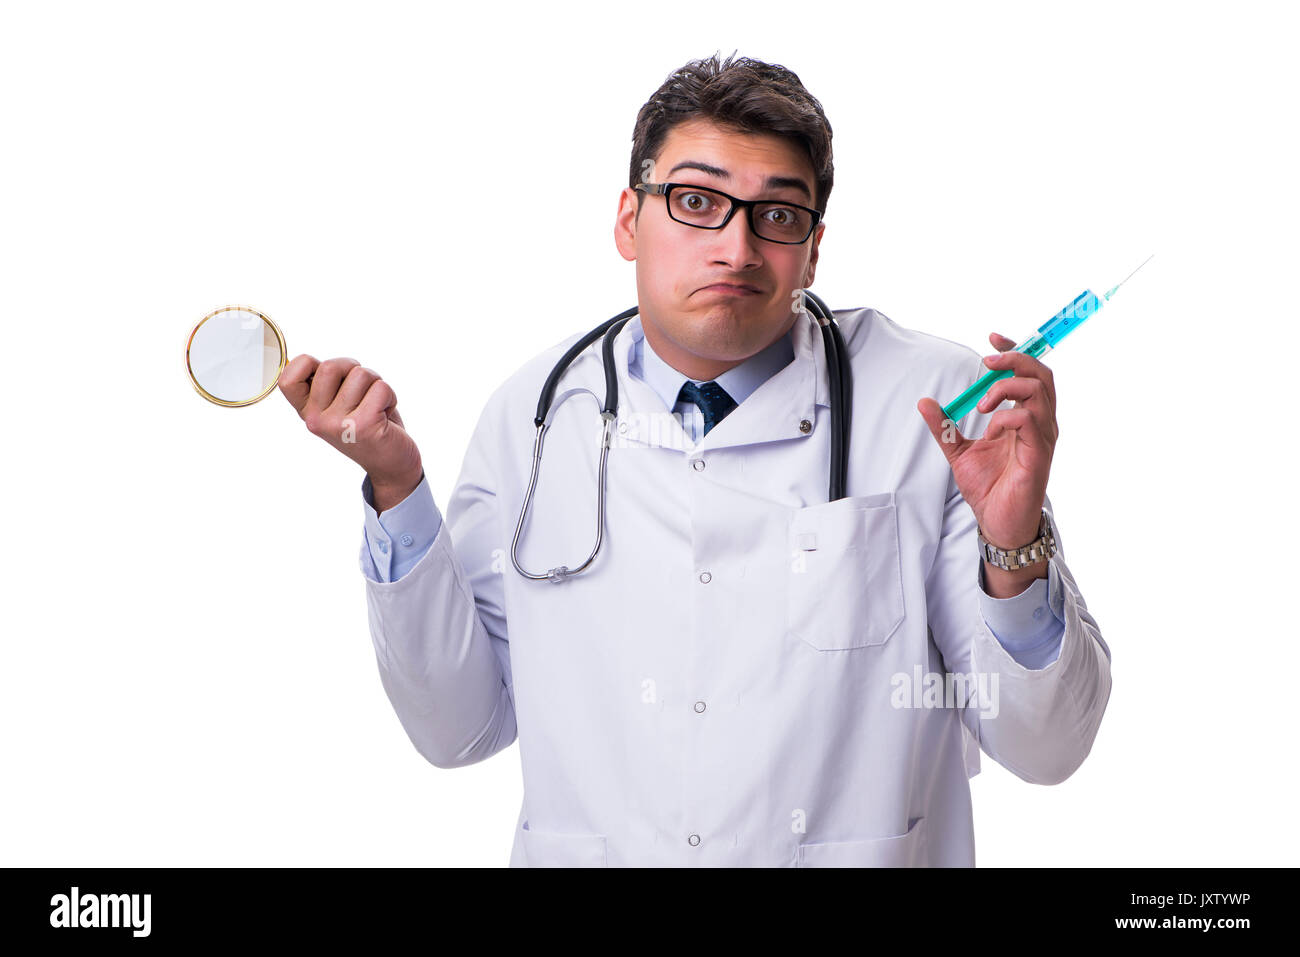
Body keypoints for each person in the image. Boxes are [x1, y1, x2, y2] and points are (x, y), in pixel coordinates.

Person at [279, 52, 1112, 867]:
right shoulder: (534, 417)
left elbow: (1048, 745)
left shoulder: (936, 406)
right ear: (626, 221)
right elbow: (456, 728)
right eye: (695, 201)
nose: (738, 248)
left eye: (777, 215)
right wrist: (396, 487)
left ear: (813, 249)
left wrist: (1013, 548)